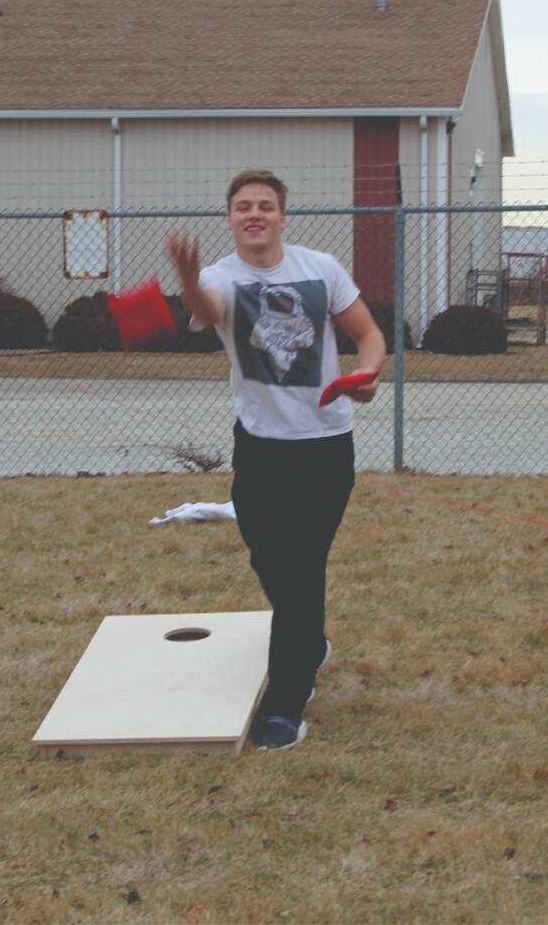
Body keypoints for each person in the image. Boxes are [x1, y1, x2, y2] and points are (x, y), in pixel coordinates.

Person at [166, 169, 386, 750]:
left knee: (303, 569)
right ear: (231, 218)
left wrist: (367, 373)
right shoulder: (219, 277)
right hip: (259, 448)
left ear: (283, 218)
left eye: (265, 205)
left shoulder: (322, 269)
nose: (255, 214)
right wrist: (186, 278)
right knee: (270, 558)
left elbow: (368, 335)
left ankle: (286, 705)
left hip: (325, 446)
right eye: (243, 206)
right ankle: (309, 644)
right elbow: (207, 307)